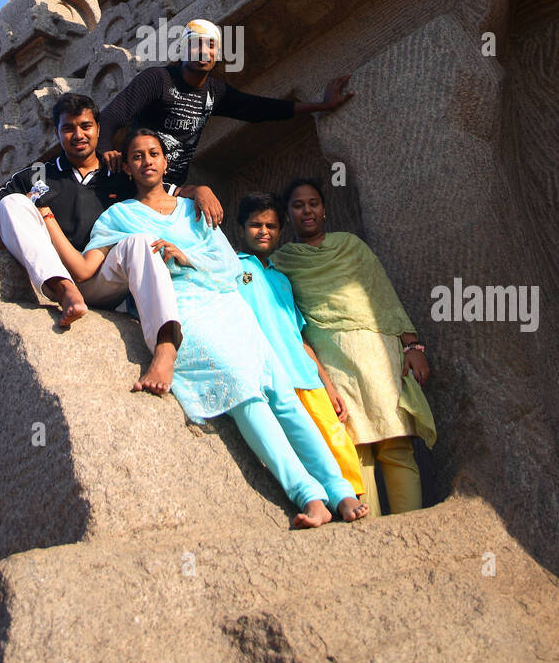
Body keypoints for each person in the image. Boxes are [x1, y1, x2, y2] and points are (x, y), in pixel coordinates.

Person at [38, 127, 370, 528]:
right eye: (137, 156)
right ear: (126, 166)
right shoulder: (119, 216)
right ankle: (308, 494)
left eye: (154, 153)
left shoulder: (194, 208)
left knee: (280, 392)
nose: (146, 161)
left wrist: (185, 253)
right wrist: (47, 221)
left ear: (165, 161)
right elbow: (86, 268)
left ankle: (339, 489)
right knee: (244, 395)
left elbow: (229, 265)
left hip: (225, 302)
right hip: (182, 309)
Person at [0, 93, 191, 367]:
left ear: (98, 128)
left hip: (106, 279)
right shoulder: (40, 175)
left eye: (85, 126)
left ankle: (164, 347)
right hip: (55, 277)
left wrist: (201, 192)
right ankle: (64, 290)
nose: (78, 135)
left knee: (141, 242)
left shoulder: (120, 173)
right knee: (12, 203)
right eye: (68, 128)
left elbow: (167, 194)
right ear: (57, 133)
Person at [272, 179, 437, 516]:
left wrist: (412, 345)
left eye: (314, 203)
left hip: (376, 351)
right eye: (298, 205)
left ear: (324, 209)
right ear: (288, 215)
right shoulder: (282, 261)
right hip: (328, 359)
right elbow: (286, 318)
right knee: (352, 446)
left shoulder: (350, 246)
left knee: (396, 441)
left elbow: (382, 294)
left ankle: (414, 526)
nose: (307, 210)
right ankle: (367, 534)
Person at [95, 18, 354, 222]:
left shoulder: (214, 92)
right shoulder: (158, 80)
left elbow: (259, 108)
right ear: (184, 49)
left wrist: (320, 106)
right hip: (138, 183)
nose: (203, 51)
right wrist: (106, 149)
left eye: (210, 46)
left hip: (173, 191)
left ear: (217, 54)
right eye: (197, 44)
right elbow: (110, 117)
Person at [235, 192, 364, 497]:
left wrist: (328, 384)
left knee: (338, 447)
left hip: (306, 379)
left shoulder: (282, 278)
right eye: (255, 224)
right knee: (299, 454)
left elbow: (299, 336)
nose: (264, 231)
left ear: (281, 231)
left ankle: (355, 508)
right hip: (271, 380)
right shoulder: (232, 269)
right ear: (240, 228)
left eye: (271, 225)